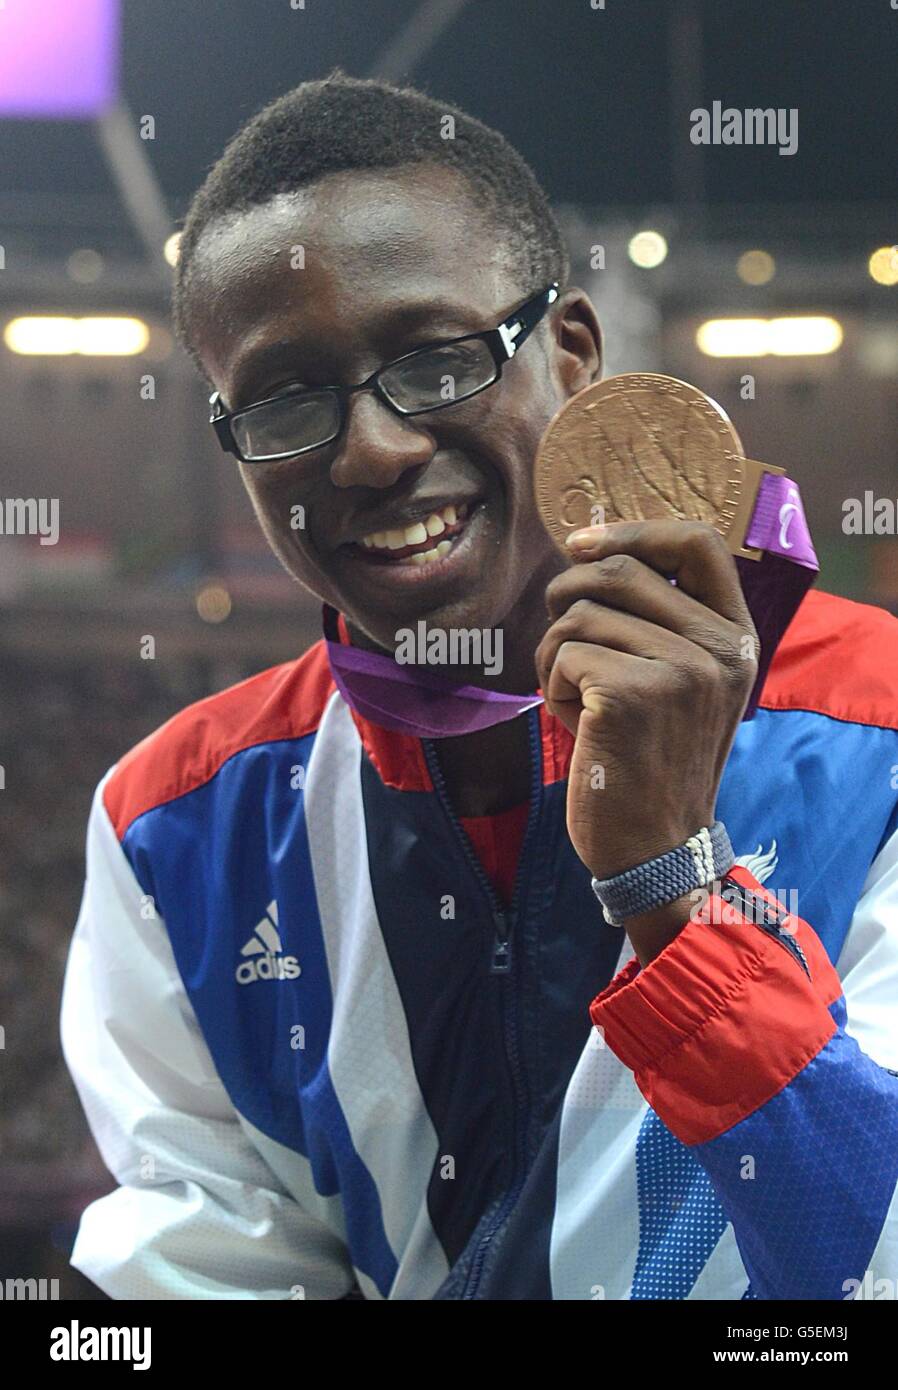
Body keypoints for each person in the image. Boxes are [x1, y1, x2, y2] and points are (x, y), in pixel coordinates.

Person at [61, 71, 898, 1301]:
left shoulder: (874, 733)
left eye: (438, 360)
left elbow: (869, 1260)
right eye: (287, 395)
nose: (374, 449)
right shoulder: (175, 825)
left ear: (570, 356)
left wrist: (673, 891)